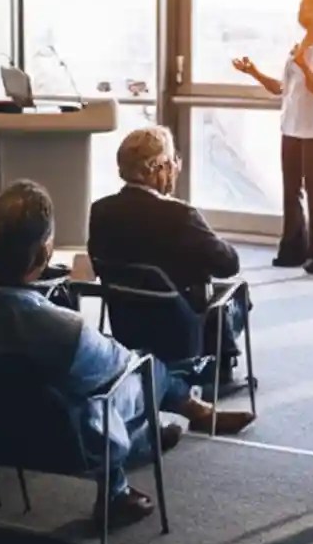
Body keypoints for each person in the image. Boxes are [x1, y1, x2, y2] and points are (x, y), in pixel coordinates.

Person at [0, 181, 254, 526]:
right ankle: (126, 478)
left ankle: (181, 417)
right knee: (146, 367)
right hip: (73, 448)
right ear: (45, 253)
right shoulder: (68, 331)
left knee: (107, 381)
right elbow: (127, 372)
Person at [88, 126, 249, 379]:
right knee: (236, 293)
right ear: (157, 167)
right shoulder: (180, 216)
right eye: (173, 160)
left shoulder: (100, 211)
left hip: (125, 326)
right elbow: (228, 265)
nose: (176, 167)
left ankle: (217, 364)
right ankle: (219, 366)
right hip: (178, 332)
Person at [232, 0, 313, 274]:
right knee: (290, 189)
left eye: (308, 6)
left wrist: (305, 66)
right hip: (292, 126)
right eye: (301, 5)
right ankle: (294, 250)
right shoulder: (297, 47)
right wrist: (254, 73)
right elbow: (283, 89)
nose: (302, 11)